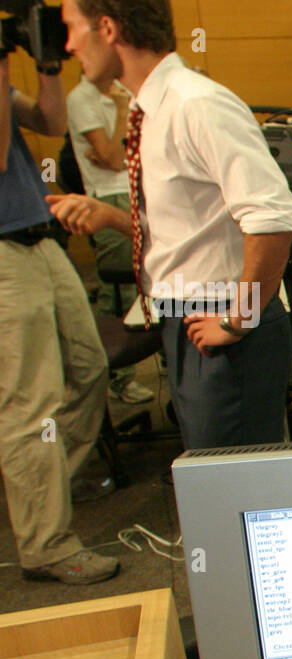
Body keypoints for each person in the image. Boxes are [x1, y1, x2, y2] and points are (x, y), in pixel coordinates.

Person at [47, 0, 292, 451]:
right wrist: (110, 217)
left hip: (220, 320)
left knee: (231, 486)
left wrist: (238, 319)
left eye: (73, 29)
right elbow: (191, 226)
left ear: (107, 28)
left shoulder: (195, 103)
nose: (68, 46)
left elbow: (273, 219)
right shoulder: (150, 107)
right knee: (214, 478)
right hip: (189, 319)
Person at [1, 46, 118, 584]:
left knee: (90, 366)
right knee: (32, 402)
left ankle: (41, 493)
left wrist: (47, 64)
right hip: (3, 254)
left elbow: (48, 121)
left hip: (37, 238)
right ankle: (44, 543)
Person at [65, 67, 153, 403]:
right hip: (108, 195)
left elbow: (134, 147)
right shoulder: (81, 98)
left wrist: (116, 149)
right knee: (119, 286)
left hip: (139, 188)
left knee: (153, 275)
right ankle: (117, 376)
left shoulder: (122, 87)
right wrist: (120, 114)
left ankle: (162, 354)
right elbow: (116, 159)